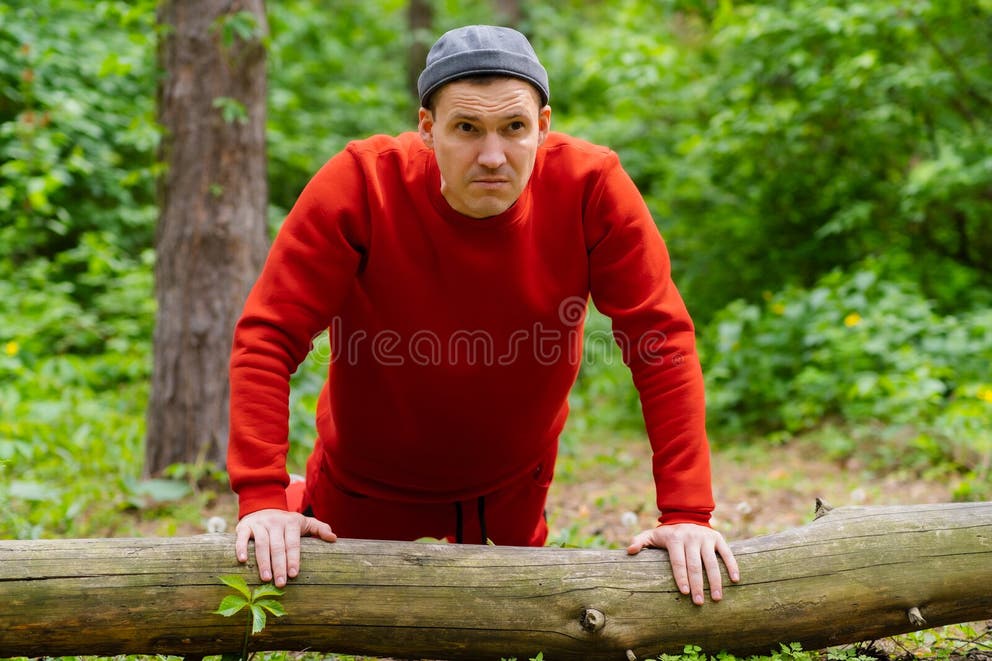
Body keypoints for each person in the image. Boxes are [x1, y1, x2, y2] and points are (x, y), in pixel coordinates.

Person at [229, 24, 740, 606]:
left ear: (543, 127)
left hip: (512, 489)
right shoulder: (361, 183)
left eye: (514, 128)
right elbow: (268, 335)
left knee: (523, 627)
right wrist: (262, 499)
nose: (493, 156)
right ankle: (296, 496)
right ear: (428, 129)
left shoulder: (590, 186)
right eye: (467, 129)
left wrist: (687, 511)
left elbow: (661, 340)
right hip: (364, 486)